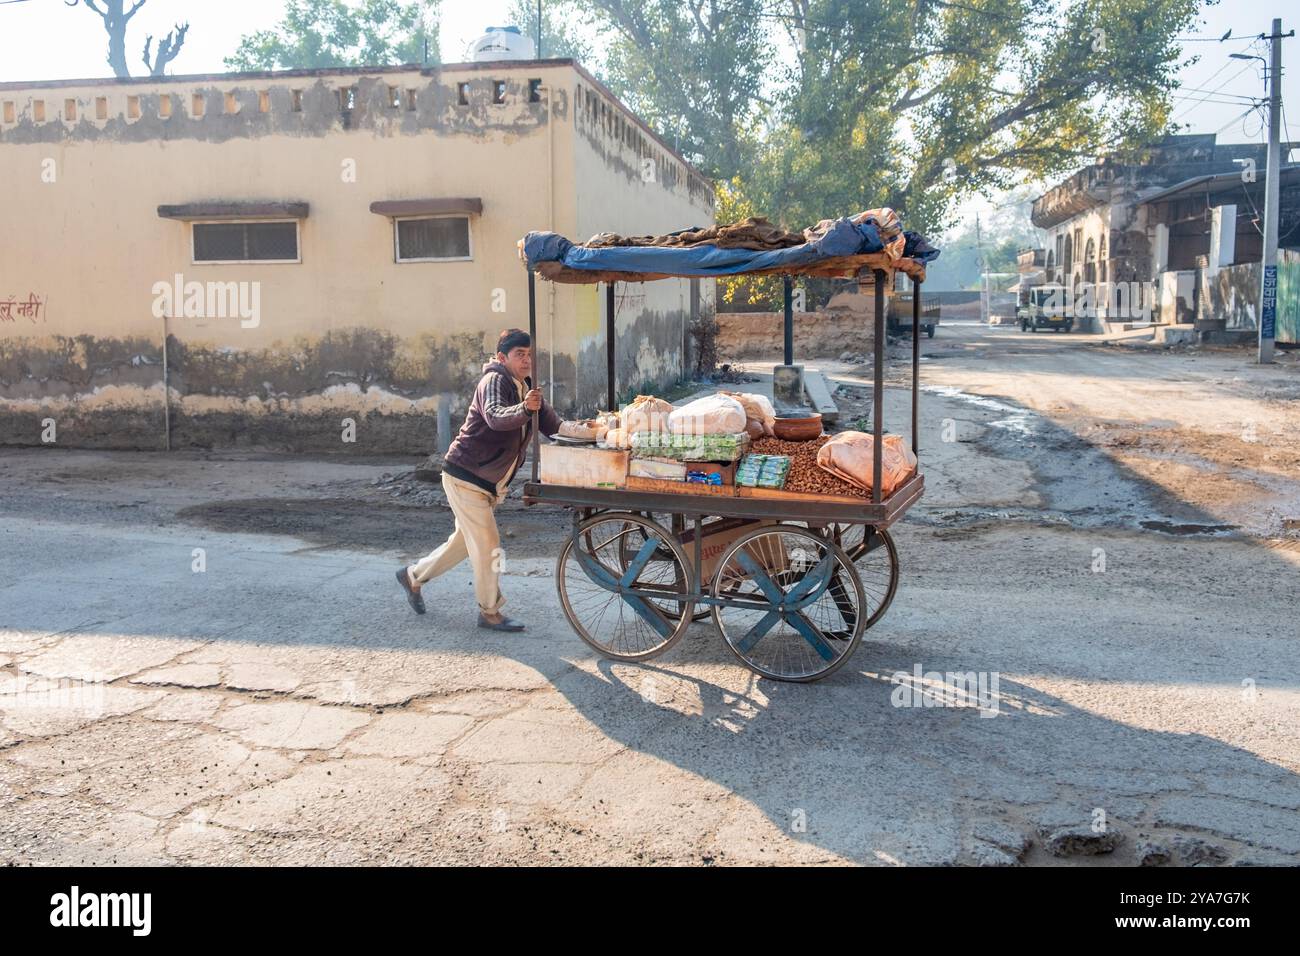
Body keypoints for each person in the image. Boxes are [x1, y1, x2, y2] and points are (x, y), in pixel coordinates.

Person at [396, 328, 561, 630]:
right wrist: (525, 408)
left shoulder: (526, 386)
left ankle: (412, 576)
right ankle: (489, 612)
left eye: (529, 354)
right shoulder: (494, 381)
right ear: (502, 357)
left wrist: (594, 432)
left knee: (462, 543)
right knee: (488, 544)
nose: (526, 360)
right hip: (465, 477)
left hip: (488, 483)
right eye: (519, 355)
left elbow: (554, 426)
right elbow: (496, 416)